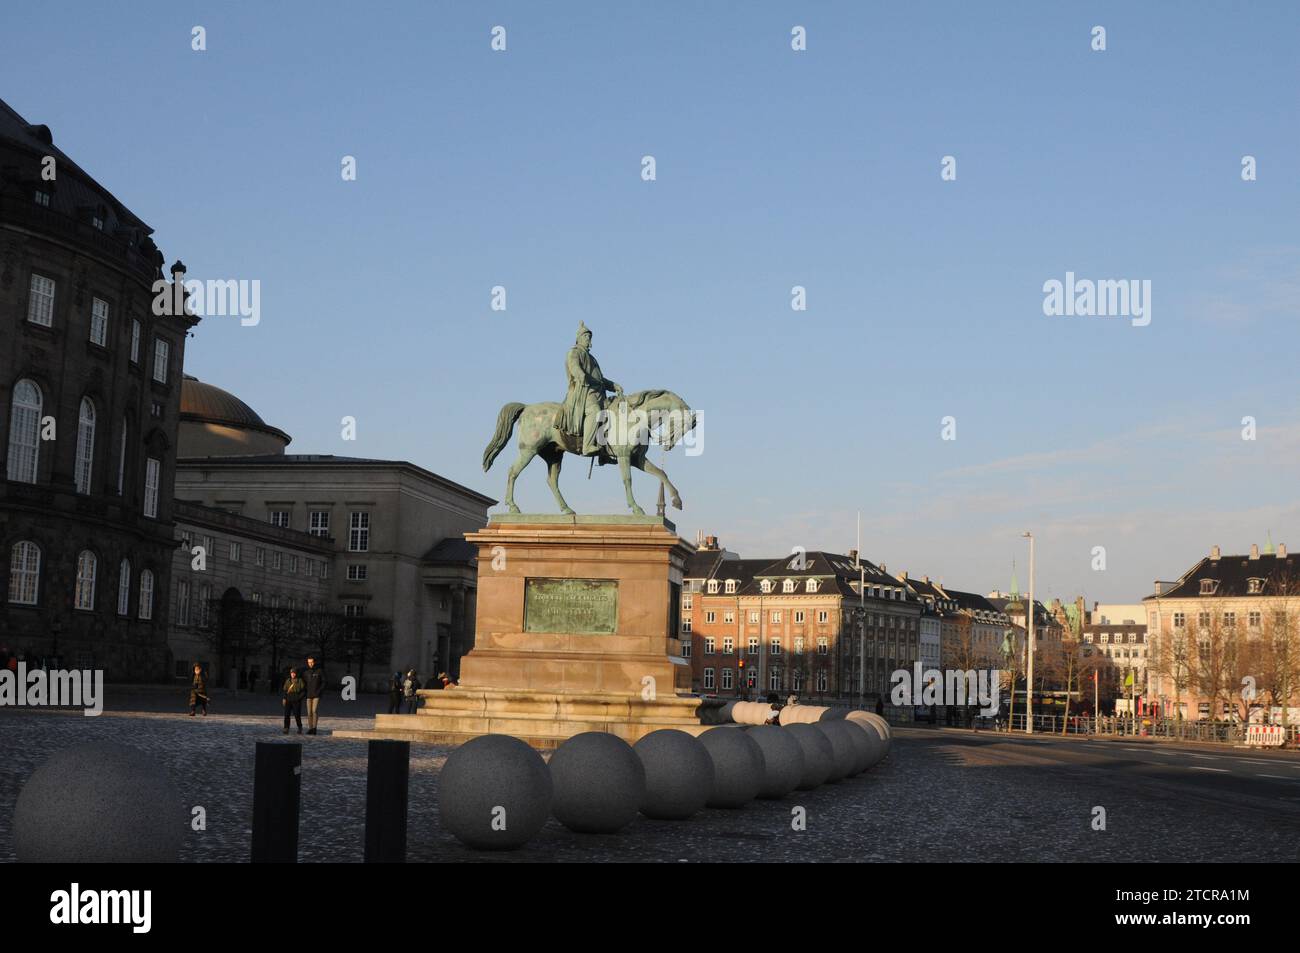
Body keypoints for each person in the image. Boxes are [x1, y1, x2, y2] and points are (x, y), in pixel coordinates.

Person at [561, 321, 622, 456]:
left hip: (597, 394)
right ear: (579, 338)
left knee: (612, 414)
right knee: (595, 411)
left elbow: (600, 379)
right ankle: (587, 446)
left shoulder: (592, 358)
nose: (588, 339)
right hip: (583, 392)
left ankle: (604, 453)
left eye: (589, 337)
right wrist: (580, 374)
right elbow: (574, 367)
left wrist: (613, 385)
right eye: (585, 336)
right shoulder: (574, 352)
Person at [303, 655, 325, 735]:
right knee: (309, 713)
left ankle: (314, 728)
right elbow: (303, 683)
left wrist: (319, 691)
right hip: (308, 695)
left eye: (312, 662)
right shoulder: (305, 672)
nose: (310, 664)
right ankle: (310, 728)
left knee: (314, 711)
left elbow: (324, 682)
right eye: (309, 662)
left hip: (316, 695)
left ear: (314, 662)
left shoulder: (319, 671)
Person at [282, 667, 306, 734]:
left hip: (296, 700)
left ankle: (299, 727)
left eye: (294, 673)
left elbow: (303, 691)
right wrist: (284, 698)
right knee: (287, 715)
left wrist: (299, 698)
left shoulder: (300, 680)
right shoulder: (288, 681)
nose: (293, 674)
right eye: (292, 673)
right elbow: (284, 690)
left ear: (296, 674)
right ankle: (286, 728)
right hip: (288, 699)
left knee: (297, 715)